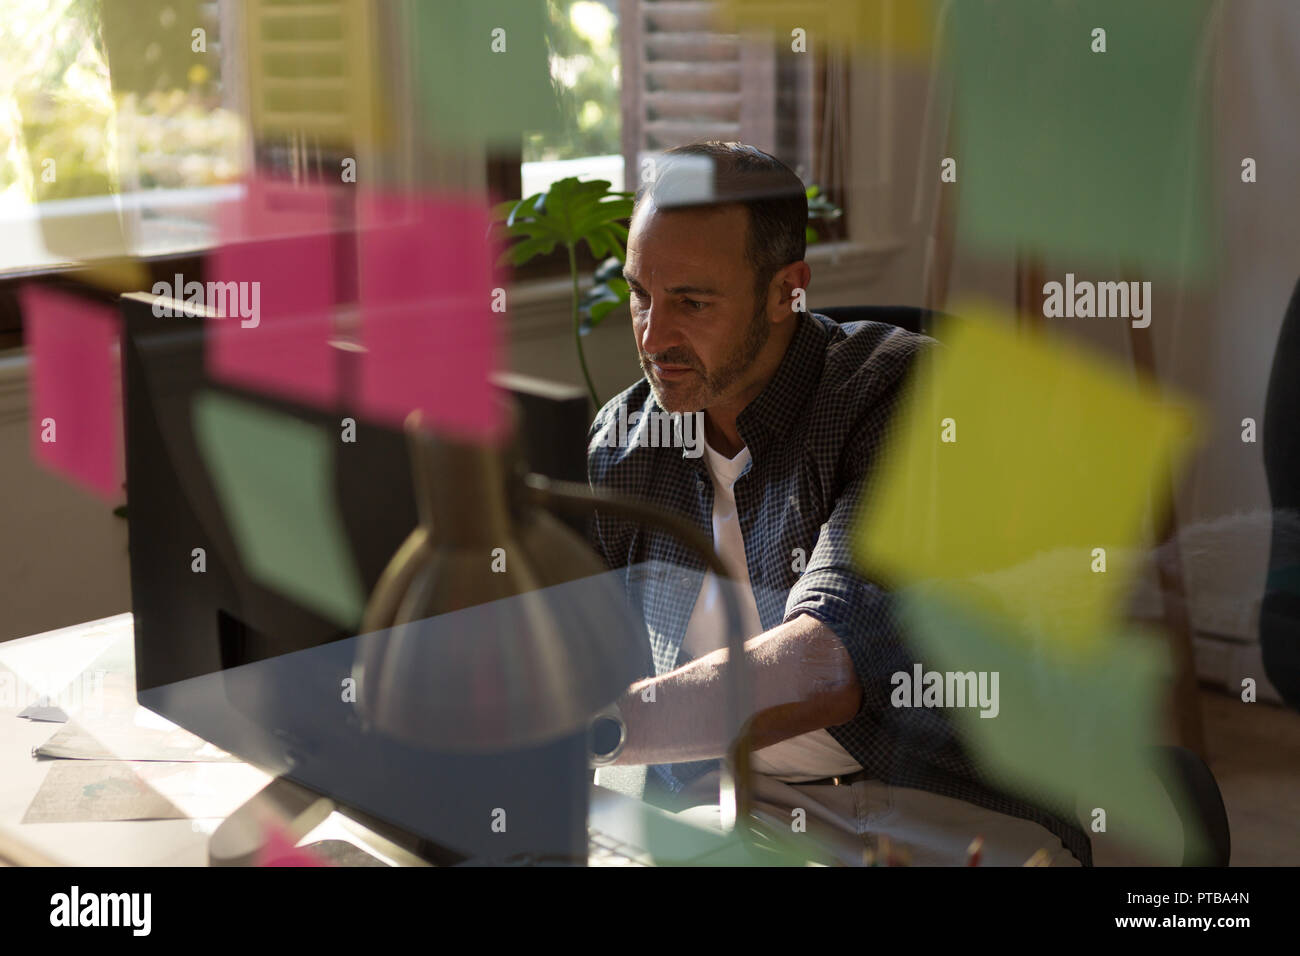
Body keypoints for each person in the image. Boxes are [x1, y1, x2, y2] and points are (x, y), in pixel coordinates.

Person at [586, 141, 1089, 866]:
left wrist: (599, 726)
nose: (653, 336)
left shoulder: (905, 397)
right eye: (641, 294)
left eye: (692, 302)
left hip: (932, 807)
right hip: (735, 810)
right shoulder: (626, 444)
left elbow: (826, 663)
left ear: (786, 289)